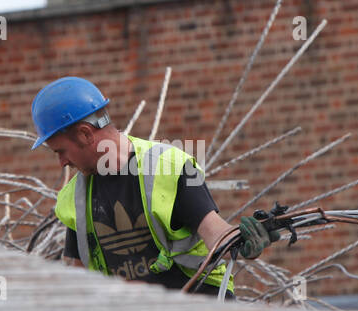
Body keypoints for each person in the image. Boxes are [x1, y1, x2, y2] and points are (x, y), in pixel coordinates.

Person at [31, 76, 277, 296]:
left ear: (85, 133)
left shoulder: (167, 165)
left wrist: (247, 239)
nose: (62, 162)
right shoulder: (74, 196)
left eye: (61, 151)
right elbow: (76, 274)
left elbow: (216, 233)